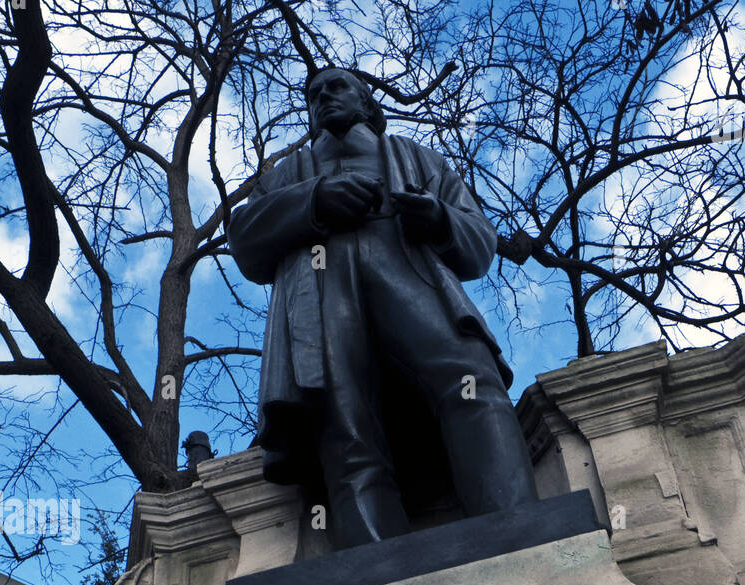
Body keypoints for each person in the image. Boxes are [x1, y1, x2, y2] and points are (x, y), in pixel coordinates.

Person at [228, 66, 539, 549]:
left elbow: (479, 242)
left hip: (408, 272)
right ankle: (374, 562)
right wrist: (315, 198)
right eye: (313, 94)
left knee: (471, 382)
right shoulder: (288, 174)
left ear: (368, 103)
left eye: (336, 87)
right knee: (344, 426)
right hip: (322, 291)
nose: (323, 97)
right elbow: (244, 239)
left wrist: (438, 219)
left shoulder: (415, 158)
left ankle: (519, 531)